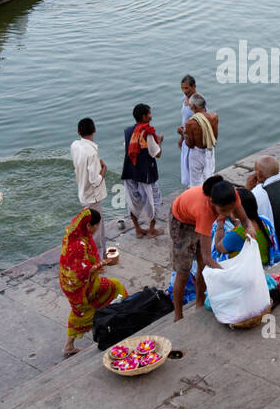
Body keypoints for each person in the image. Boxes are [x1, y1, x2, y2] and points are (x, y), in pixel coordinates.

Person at [168, 176, 255, 320]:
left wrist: (250, 229)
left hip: (197, 216)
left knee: (202, 265)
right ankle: (178, 315)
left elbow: (245, 221)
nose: (228, 214)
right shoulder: (205, 212)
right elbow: (209, 258)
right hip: (181, 222)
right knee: (183, 272)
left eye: (231, 209)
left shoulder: (232, 194)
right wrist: (229, 275)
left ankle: (200, 302)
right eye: (223, 210)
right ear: (212, 202)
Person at [58, 207, 127, 356]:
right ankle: (123, 320)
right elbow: (84, 271)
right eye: (96, 225)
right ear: (88, 226)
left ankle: (69, 346)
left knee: (80, 312)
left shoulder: (72, 235)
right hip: (80, 287)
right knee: (115, 287)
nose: (97, 228)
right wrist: (105, 263)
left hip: (69, 283)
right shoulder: (79, 245)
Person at [71, 118, 114, 261]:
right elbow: (95, 181)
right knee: (95, 229)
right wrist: (104, 170)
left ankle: (99, 256)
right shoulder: (92, 153)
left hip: (83, 192)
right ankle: (96, 260)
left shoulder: (75, 146)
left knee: (94, 227)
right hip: (93, 196)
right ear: (94, 130)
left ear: (78, 132)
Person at [122, 103, 162, 238]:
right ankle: (151, 230)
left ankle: (138, 230)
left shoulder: (128, 132)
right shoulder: (147, 132)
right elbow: (157, 153)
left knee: (133, 202)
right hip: (145, 173)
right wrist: (159, 141)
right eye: (149, 114)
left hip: (129, 171)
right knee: (153, 200)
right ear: (144, 116)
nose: (151, 116)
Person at [183, 94, 218, 186]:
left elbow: (190, 144)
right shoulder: (214, 117)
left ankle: (198, 198)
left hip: (197, 153)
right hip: (210, 150)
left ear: (194, 107)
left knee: (196, 181)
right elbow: (215, 137)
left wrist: (183, 133)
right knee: (210, 176)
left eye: (190, 106)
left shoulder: (190, 123)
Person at [177, 75, 197, 186]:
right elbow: (184, 120)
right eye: (182, 88)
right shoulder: (184, 99)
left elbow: (200, 122)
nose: (184, 91)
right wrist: (182, 137)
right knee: (186, 166)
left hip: (194, 140)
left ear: (194, 87)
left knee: (193, 167)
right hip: (185, 137)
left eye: (187, 88)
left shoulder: (198, 102)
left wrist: (184, 133)